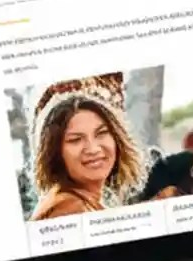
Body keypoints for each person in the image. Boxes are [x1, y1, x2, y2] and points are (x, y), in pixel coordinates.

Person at [29, 86, 144, 220]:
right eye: (76, 140)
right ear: (56, 152)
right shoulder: (69, 208)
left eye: (101, 133)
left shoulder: (80, 201)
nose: (93, 149)